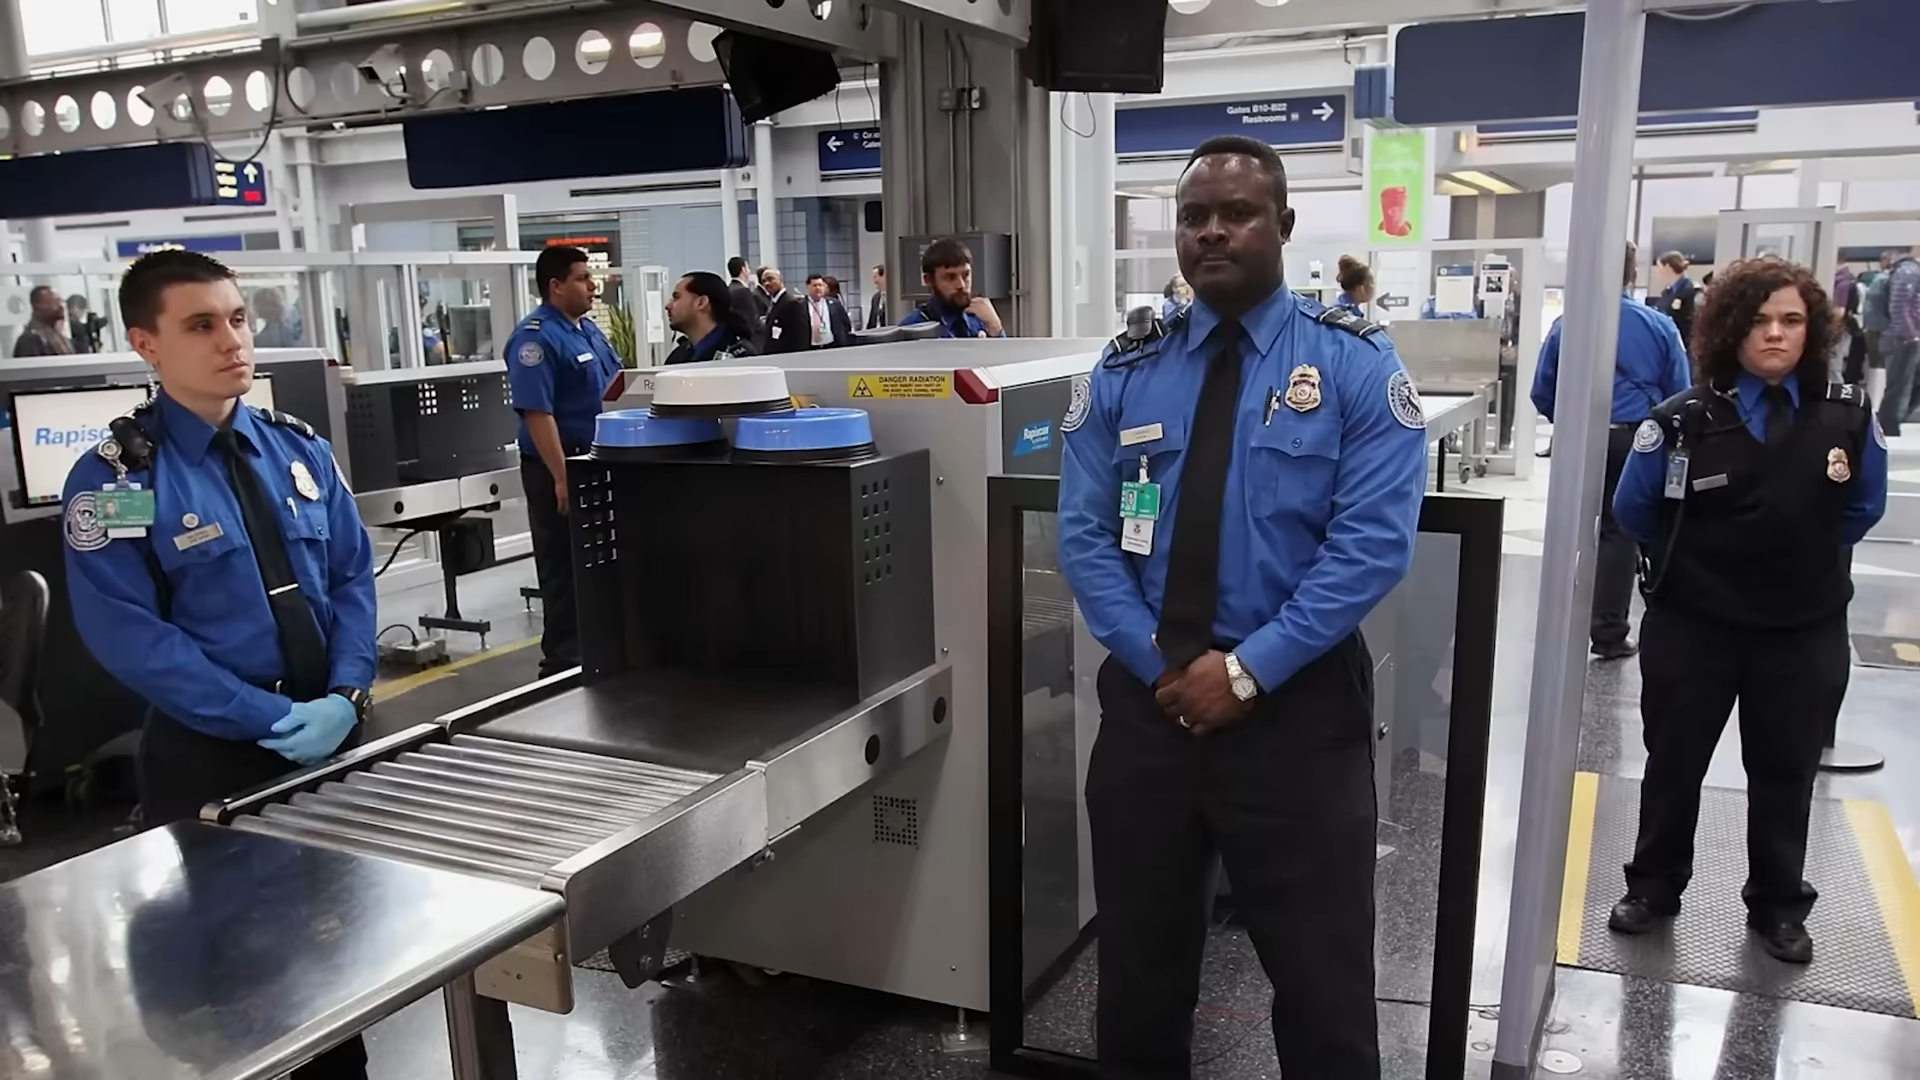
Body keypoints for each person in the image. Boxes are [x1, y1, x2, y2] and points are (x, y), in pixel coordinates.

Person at [1057, 134, 1428, 1079]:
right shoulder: (1127, 367)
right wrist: (1161, 668)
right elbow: (1086, 537)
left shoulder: (1349, 364)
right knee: (1137, 976)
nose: (1213, 230)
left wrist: (1249, 669)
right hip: (1152, 708)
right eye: (1193, 216)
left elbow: (1372, 546)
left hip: (1296, 714)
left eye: (1238, 213)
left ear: (1285, 226)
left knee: (1322, 987)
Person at [62, 249, 377, 1076]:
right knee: (244, 984)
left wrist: (347, 693)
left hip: (330, 743)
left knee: (343, 966)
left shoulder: (297, 451)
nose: (233, 340)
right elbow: (129, 633)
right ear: (146, 344)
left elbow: (350, 575)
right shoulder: (118, 482)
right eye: (201, 324)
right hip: (213, 759)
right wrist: (266, 717)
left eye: (238, 318)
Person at [1608, 255, 1886, 965]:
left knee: (1786, 770)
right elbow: (1635, 510)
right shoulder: (1681, 422)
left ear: (1812, 331)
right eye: (1759, 320)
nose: (1775, 334)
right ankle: (1654, 886)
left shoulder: (1847, 416)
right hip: (1696, 626)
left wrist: (1791, 555)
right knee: (1673, 762)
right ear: (1730, 329)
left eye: (1792, 320)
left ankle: (1778, 905)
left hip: (1802, 628)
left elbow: (1861, 508)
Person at [1530, 241, 1692, 661]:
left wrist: (1568, 423)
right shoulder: (1657, 326)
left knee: (1571, 529)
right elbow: (1680, 395)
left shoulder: (1568, 325)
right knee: (1620, 531)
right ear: (1630, 272)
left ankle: (1555, 626)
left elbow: (1541, 391)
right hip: (1636, 439)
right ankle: (1608, 631)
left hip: (1580, 437)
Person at [506, 246, 624, 678]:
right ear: (555, 286)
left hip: (595, 462)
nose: (592, 286)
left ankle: (598, 650)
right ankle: (561, 664)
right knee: (563, 564)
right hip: (558, 467)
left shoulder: (586, 330)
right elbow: (538, 413)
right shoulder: (535, 339)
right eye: (581, 278)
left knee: (596, 563)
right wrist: (561, 477)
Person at [898, 238, 1006, 338]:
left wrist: (996, 327)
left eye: (966, 275)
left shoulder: (980, 319)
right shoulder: (912, 327)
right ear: (929, 280)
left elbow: (1006, 357)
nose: (961, 285)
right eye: (950, 277)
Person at [664, 271, 761, 365]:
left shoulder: (739, 358)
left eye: (676, 297)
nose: (668, 306)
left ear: (701, 302)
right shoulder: (678, 356)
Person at [1878, 245, 1920, 436]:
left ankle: (1893, 422)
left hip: (1903, 336)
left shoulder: (1905, 270)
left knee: (1903, 382)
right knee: (1899, 383)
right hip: (1903, 338)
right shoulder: (1908, 271)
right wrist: (1911, 334)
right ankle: (1888, 426)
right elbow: (1899, 306)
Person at [1649, 251, 1699, 348]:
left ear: (1667, 267)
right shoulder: (1668, 292)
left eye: (1659, 267)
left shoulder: (1691, 291)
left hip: (1684, 346)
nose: (1658, 272)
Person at [761, 268, 811, 355]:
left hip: (788, 356)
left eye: (770, 279)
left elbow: (802, 336)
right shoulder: (773, 303)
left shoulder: (792, 303)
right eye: (763, 281)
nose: (767, 283)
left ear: (781, 279)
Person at [13, 285, 73, 357]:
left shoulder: (56, 335)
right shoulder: (30, 340)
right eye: (54, 303)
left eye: (61, 301)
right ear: (38, 308)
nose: (61, 306)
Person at [803, 273, 852, 348]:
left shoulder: (834, 303)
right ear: (808, 287)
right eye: (814, 285)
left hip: (832, 345)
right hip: (809, 347)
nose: (818, 288)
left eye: (820, 285)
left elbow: (845, 323)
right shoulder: (800, 305)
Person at [729, 256, 769, 325]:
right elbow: (752, 320)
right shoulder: (743, 291)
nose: (749, 271)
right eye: (748, 268)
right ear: (743, 269)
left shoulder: (729, 289)